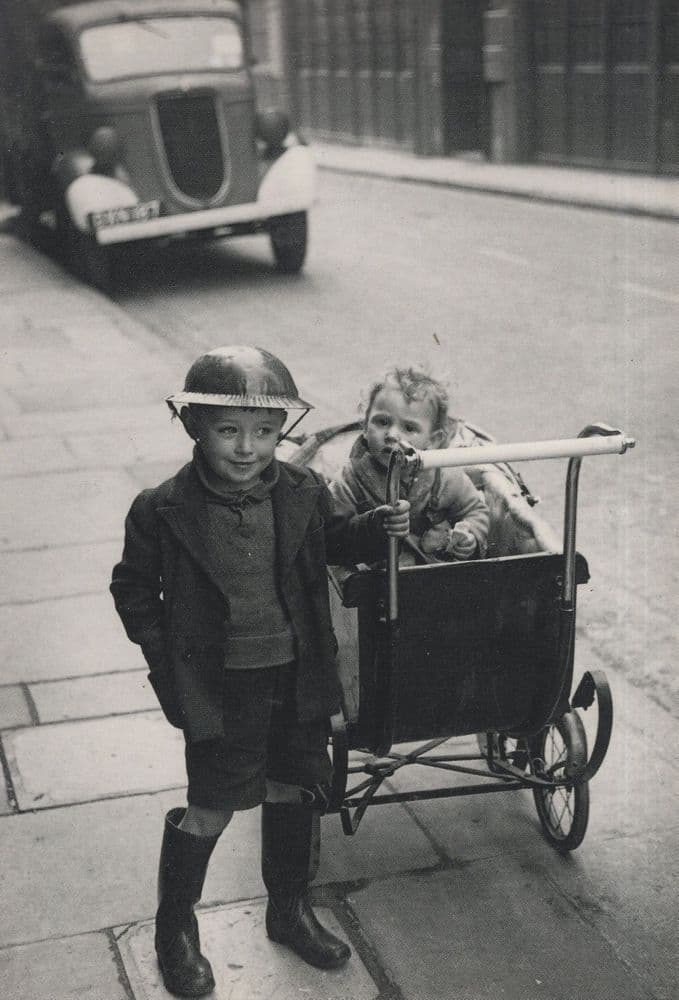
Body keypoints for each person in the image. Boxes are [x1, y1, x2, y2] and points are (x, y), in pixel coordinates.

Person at [110, 345, 409, 998]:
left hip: (296, 679)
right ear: (194, 426)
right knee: (211, 806)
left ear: (283, 432)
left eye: (265, 432)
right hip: (221, 689)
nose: (247, 447)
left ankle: (289, 909)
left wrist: (374, 527)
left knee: (293, 790)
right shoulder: (160, 508)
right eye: (228, 430)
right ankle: (175, 929)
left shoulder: (301, 490)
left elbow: (335, 540)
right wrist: (168, 663)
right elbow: (132, 590)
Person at [329, 366, 489, 564]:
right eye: (382, 422)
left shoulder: (443, 474)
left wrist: (470, 536)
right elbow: (333, 533)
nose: (393, 435)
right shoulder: (350, 479)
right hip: (374, 575)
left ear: (433, 440)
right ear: (364, 426)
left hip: (432, 570)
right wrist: (370, 527)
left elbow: (475, 510)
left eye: (409, 428)